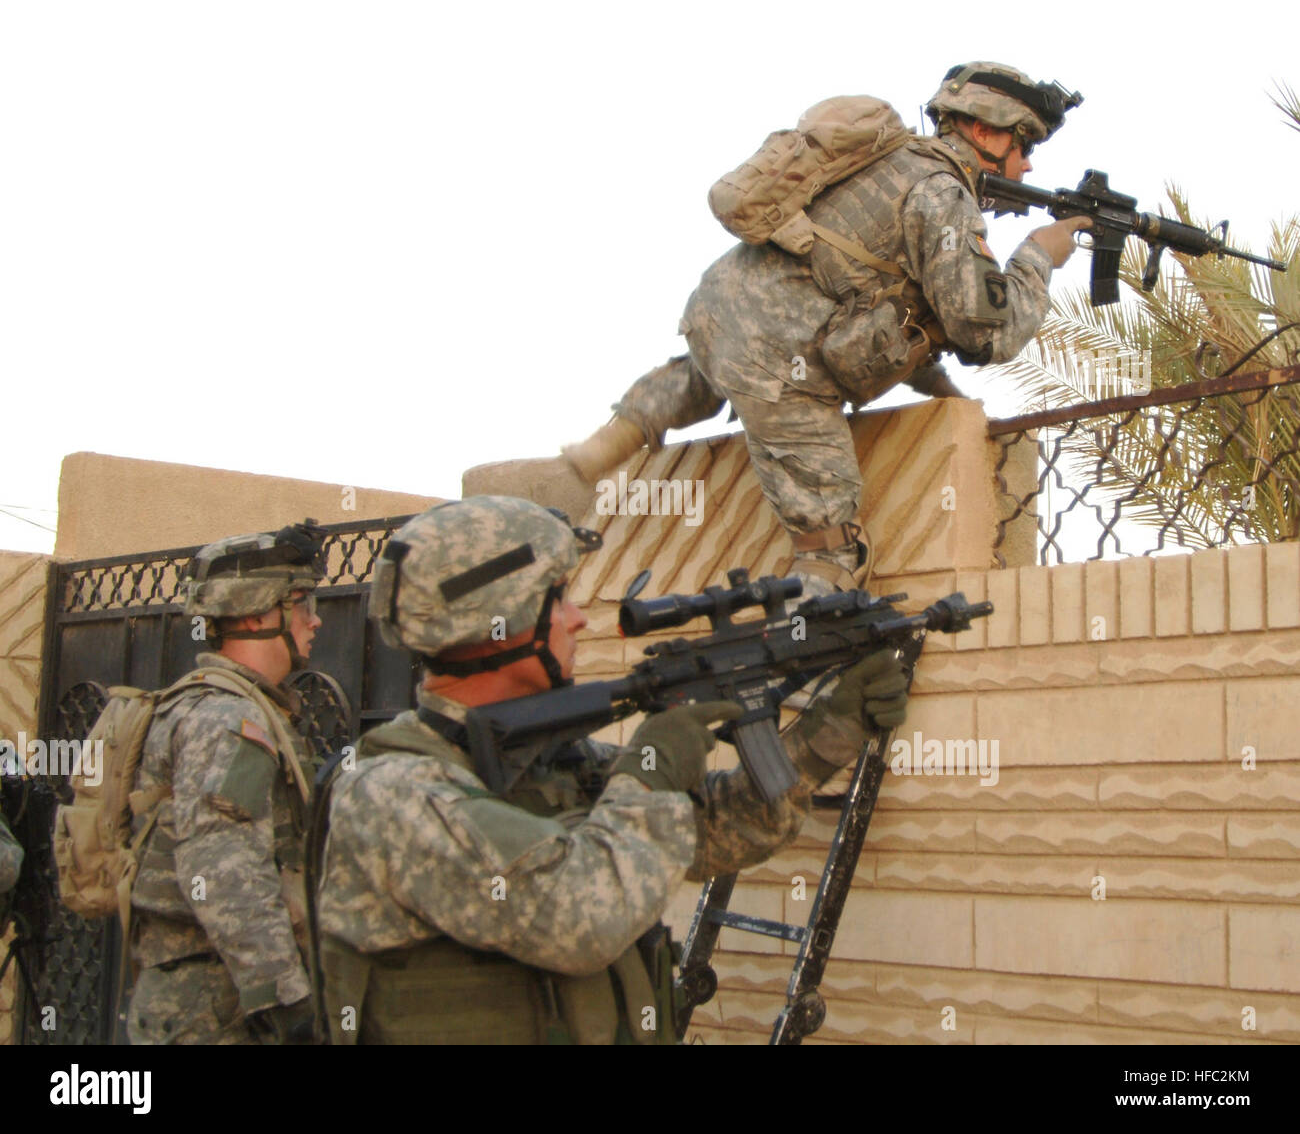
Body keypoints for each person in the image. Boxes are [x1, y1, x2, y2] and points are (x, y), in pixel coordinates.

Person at [312, 495, 910, 1044]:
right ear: (504, 622)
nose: (580, 620)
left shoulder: (549, 761)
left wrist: (829, 731)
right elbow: (582, 920)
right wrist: (652, 770)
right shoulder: (392, 794)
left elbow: (710, 835)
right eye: (559, 599)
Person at [562, 62, 1088, 594]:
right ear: (982, 131)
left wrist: (943, 391)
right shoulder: (942, 194)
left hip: (718, 314)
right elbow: (986, 331)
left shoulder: (886, 161)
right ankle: (805, 656)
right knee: (832, 547)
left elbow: (889, 313)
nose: (1025, 167)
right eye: (1024, 146)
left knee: (706, 375)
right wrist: (1038, 258)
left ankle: (618, 436)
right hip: (779, 368)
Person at [126, 523, 325, 1045]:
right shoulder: (226, 718)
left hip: (205, 992)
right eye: (302, 604)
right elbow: (221, 866)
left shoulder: (222, 704)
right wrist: (288, 1004)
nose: (315, 620)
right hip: (216, 1005)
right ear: (261, 613)